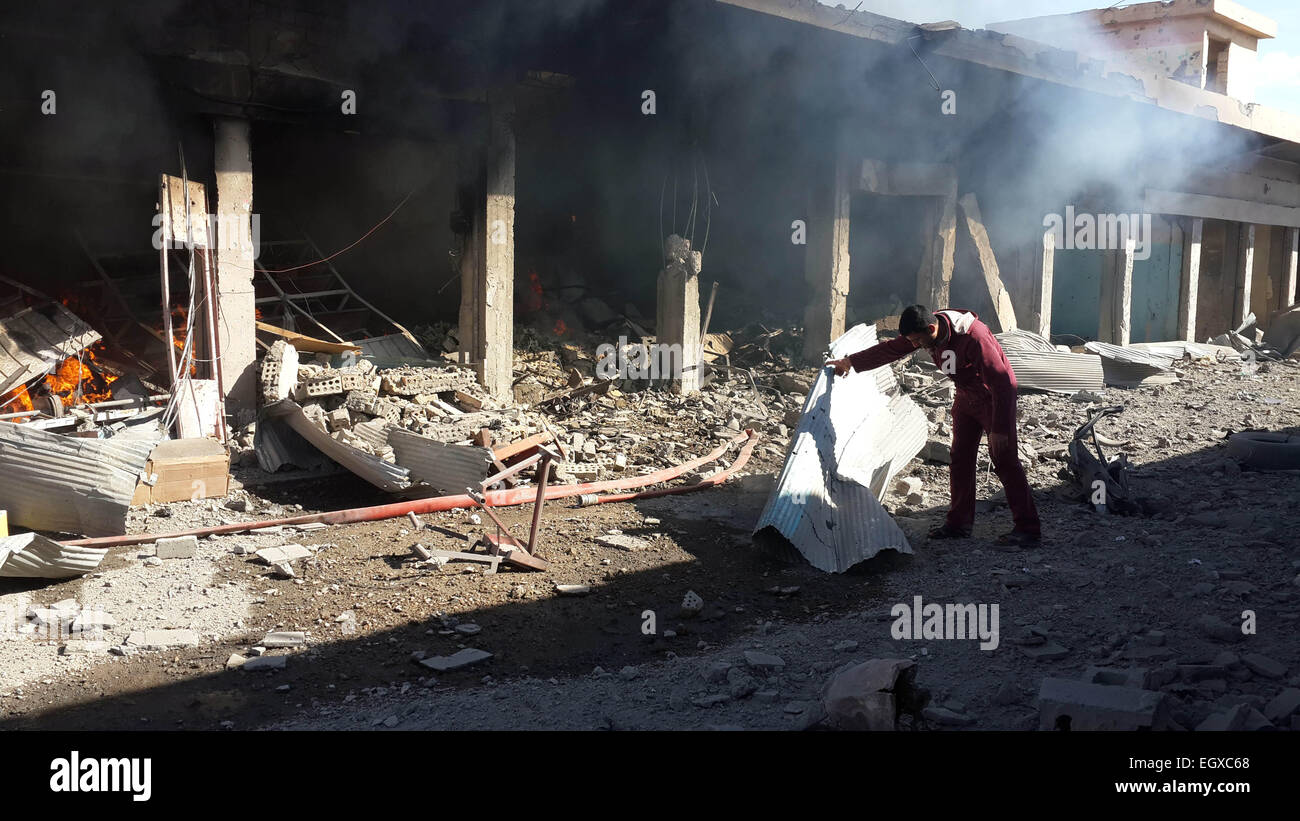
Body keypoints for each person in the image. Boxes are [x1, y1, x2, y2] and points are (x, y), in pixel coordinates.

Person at [827, 304, 1042, 547]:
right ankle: (958, 524)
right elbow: (891, 350)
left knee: (1004, 458)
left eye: (918, 340)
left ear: (931, 329)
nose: (916, 345)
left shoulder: (974, 337)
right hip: (965, 397)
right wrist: (850, 362)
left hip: (991, 398)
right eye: (913, 341)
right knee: (960, 457)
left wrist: (1000, 428)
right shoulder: (925, 332)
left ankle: (1028, 528)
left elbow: (1004, 383)